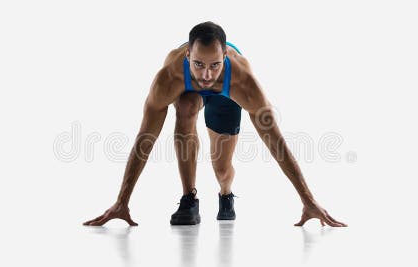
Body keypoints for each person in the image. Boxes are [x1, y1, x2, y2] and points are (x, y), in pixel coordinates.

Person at [83, 21, 347, 227]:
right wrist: (122, 201)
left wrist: (308, 200)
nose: (206, 75)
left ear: (226, 59)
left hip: (227, 94)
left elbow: (275, 142)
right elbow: (145, 138)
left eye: (214, 65)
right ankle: (189, 199)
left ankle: (225, 193)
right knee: (185, 108)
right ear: (187, 55)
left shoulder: (244, 83)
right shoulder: (169, 77)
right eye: (198, 64)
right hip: (188, 95)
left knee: (221, 168)